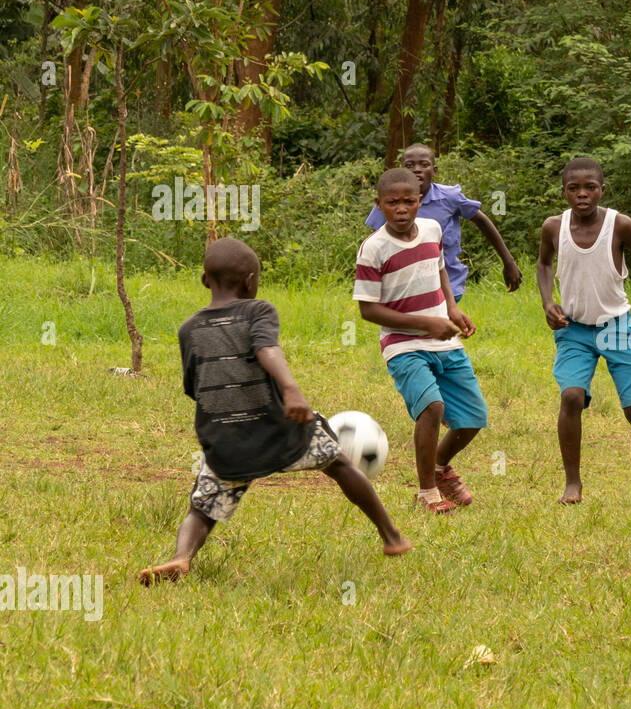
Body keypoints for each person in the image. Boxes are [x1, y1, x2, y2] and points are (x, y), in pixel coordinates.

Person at [140, 238, 410, 585]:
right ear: (251, 281)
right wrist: (291, 389)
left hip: (225, 447)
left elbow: (194, 388)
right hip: (281, 433)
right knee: (340, 464)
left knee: (202, 508)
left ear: (205, 280)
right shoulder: (259, 311)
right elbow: (267, 349)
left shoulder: (188, 329)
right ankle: (391, 536)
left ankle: (181, 558)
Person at [536, 157, 631, 507]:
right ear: (564, 191)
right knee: (570, 397)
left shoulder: (620, 225)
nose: (582, 194)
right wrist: (547, 301)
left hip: (618, 326)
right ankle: (572, 484)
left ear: (602, 189)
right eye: (573, 188)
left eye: (590, 187)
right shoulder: (554, 226)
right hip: (574, 329)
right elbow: (544, 263)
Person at [355, 167, 487, 513]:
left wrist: (452, 310)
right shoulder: (373, 248)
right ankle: (428, 492)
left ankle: (441, 468)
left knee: (473, 418)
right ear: (379, 205)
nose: (401, 209)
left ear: (420, 202)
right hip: (403, 345)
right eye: (392, 203)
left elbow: (439, 266)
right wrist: (427, 324)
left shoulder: (432, 228)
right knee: (432, 407)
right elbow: (368, 311)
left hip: (444, 339)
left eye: (409, 201)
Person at [363, 143, 522, 300]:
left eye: (424, 164)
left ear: (434, 171)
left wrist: (508, 262)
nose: (417, 169)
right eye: (409, 165)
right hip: (406, 286)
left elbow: (482, 221)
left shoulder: (449, 197)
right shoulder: (389, 200)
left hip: (447, 284)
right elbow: (378, 240)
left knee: (439, 324)